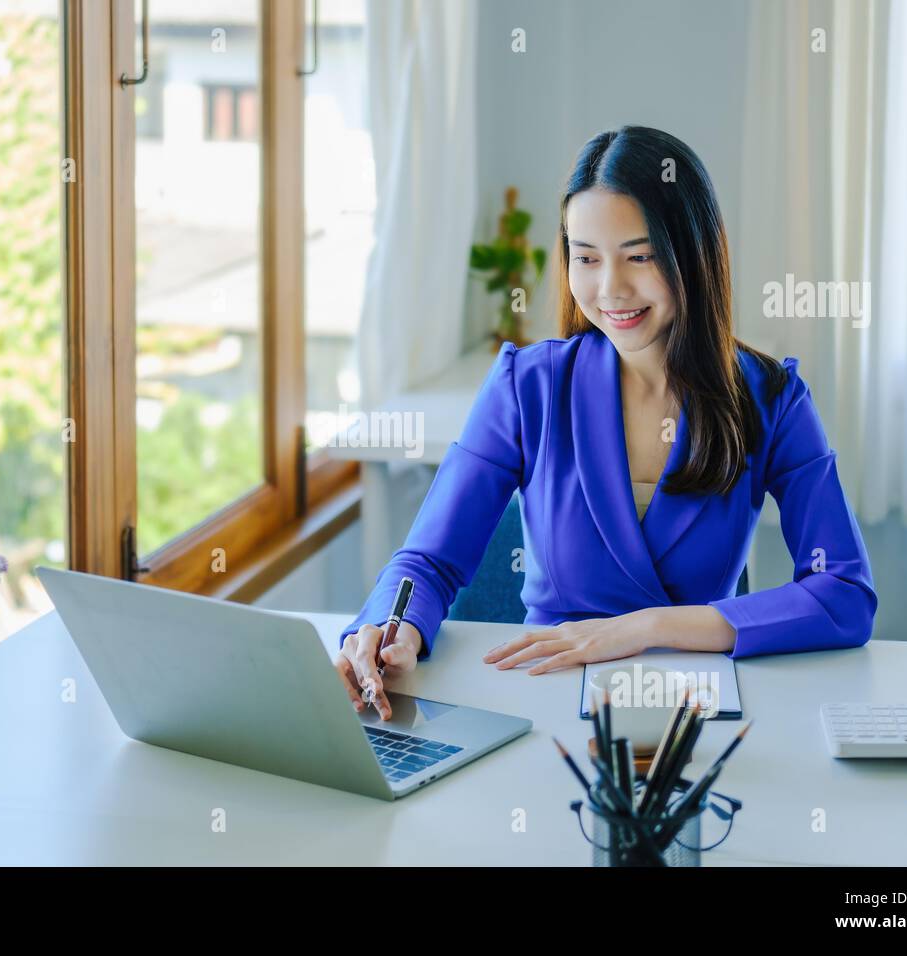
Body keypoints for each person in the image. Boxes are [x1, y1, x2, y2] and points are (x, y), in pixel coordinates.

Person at [336, 126, 878, 720]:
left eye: (639, 257)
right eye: (586, 257)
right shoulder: (528, 386)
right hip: (544, 699)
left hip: (695, 709)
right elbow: (428, 562)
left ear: (692, 257)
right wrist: (393, 628)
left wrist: (642, 629)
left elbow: (843, 595)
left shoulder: (771, 397)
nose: (610, 288)